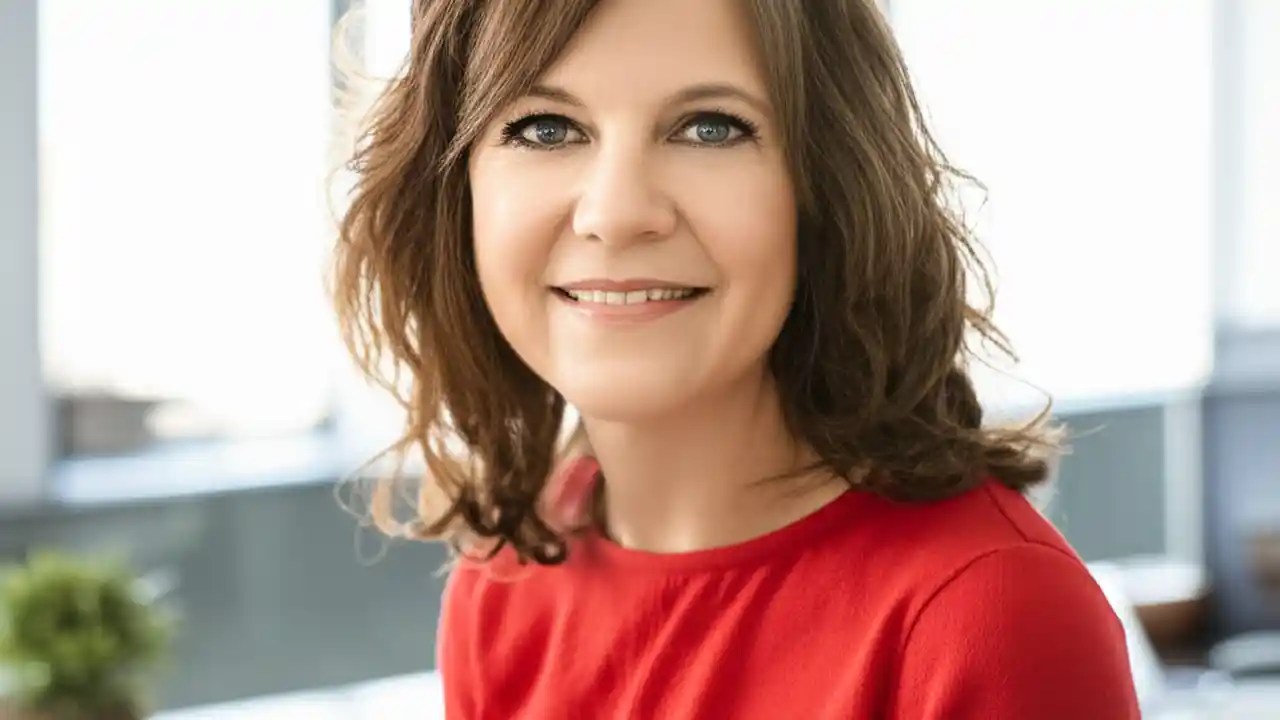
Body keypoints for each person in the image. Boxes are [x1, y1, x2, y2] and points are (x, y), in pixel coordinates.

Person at [329, 0, 1143, 717]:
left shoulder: (988, 616)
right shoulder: (504, 584)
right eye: (545, 128)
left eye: (709, 127)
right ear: (455, 195)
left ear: (827, 186)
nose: (616, 213)